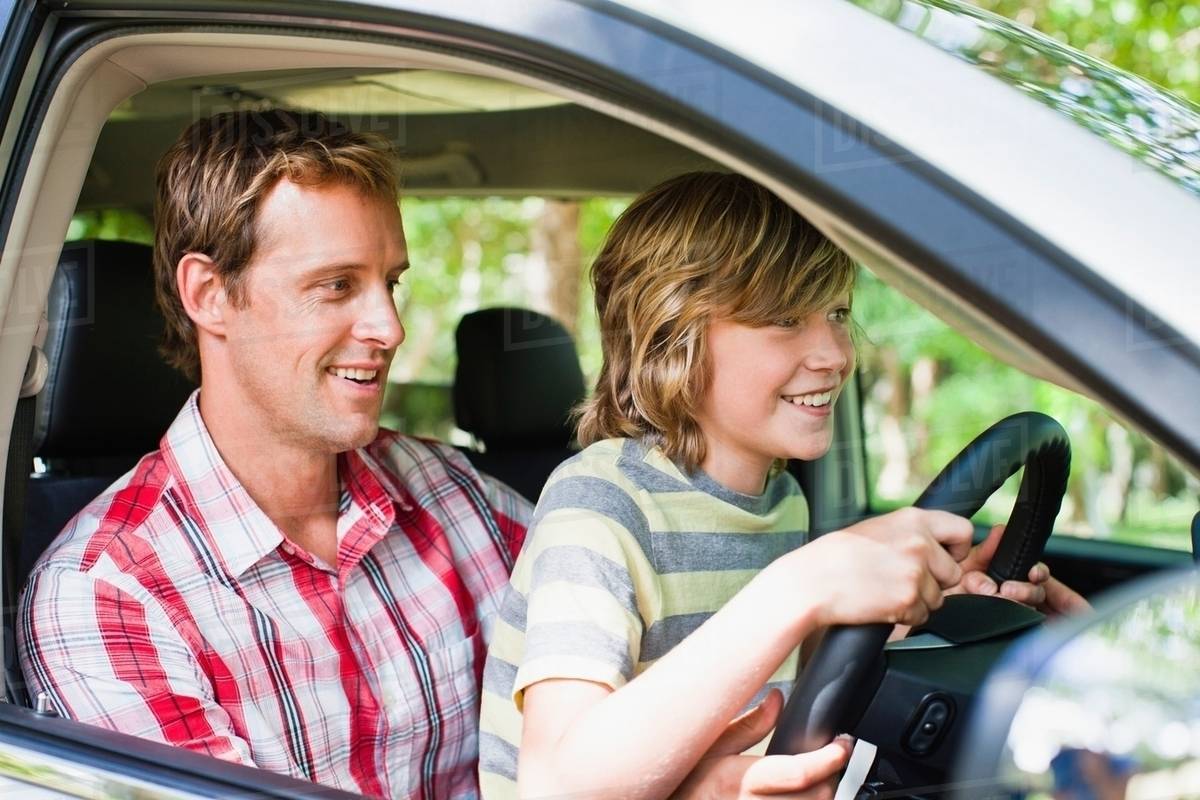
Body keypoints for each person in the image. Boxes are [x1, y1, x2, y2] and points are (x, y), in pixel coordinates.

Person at [477, 172, 1088, 800]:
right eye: (786, 318)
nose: (835, 353)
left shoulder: (779, 498)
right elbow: (555, 785)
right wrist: (801, 585)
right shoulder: (600, 505)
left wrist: (916, 601)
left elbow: (771, 666)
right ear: (671, 336)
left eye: (839, 314)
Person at [19, 109, 531, 799]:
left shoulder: (449, 491)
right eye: (337, 285)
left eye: (391, 282)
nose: (391, 327)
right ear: (209, 295)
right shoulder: (108, 595)